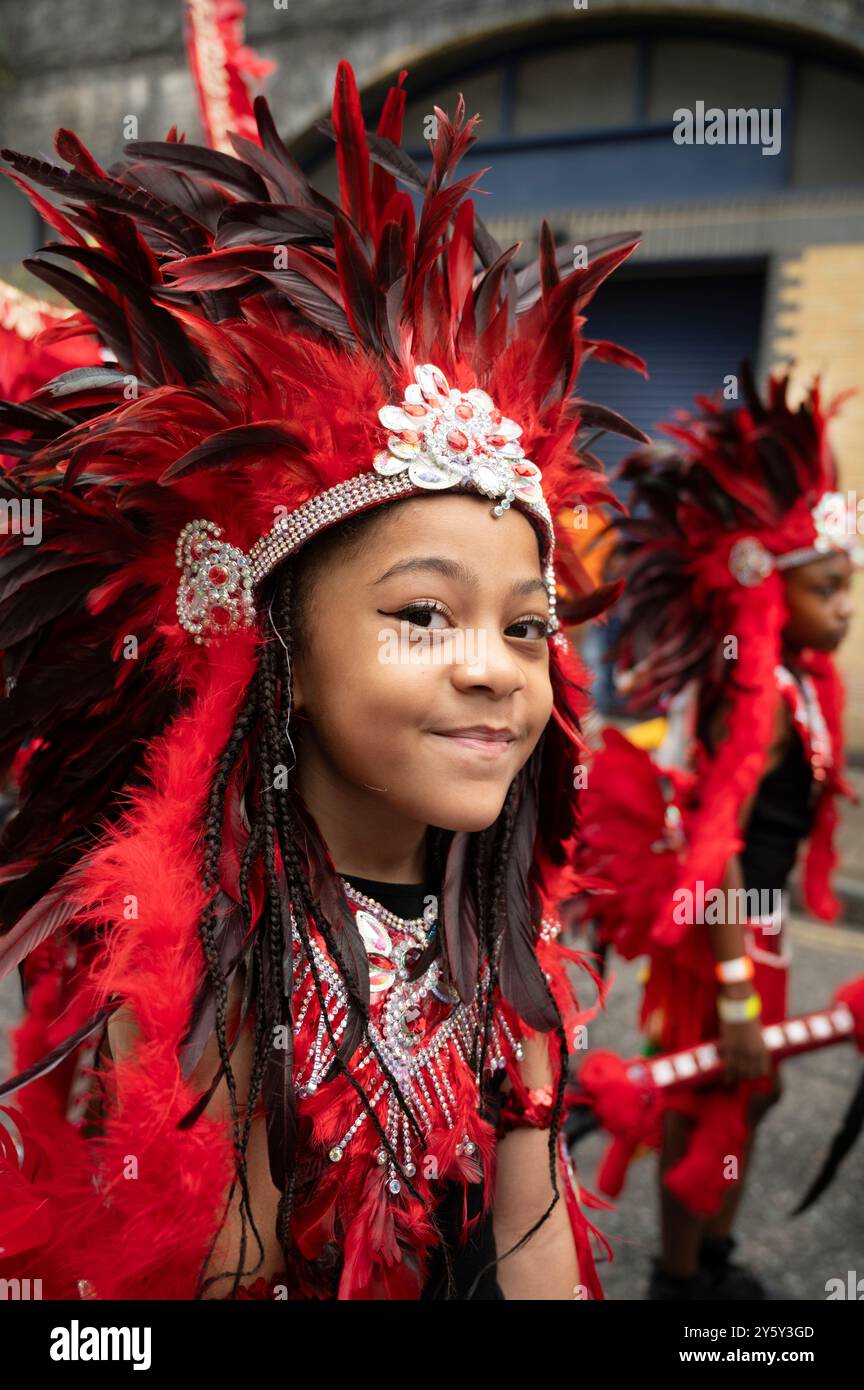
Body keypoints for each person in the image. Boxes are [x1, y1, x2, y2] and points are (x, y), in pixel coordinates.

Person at [0, 60, 645, 1300]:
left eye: (527, 629)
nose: (492, 671)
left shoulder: (510, 917)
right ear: (274, 651)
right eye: (421, 614)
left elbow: (531, 1236)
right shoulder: (207, 939)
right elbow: (227, 1269)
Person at [578, 367, 857, 1299]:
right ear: (769, 594)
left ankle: (713, 1260)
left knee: (755, 1089)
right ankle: (680, 1281)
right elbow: (722, 842)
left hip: (753, 917)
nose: (848, 609)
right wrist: (739, 994)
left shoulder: (803, 683)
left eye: (852, 588)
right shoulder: (758, 700)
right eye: (829, 588)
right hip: (722, 927)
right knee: (712, 1097)